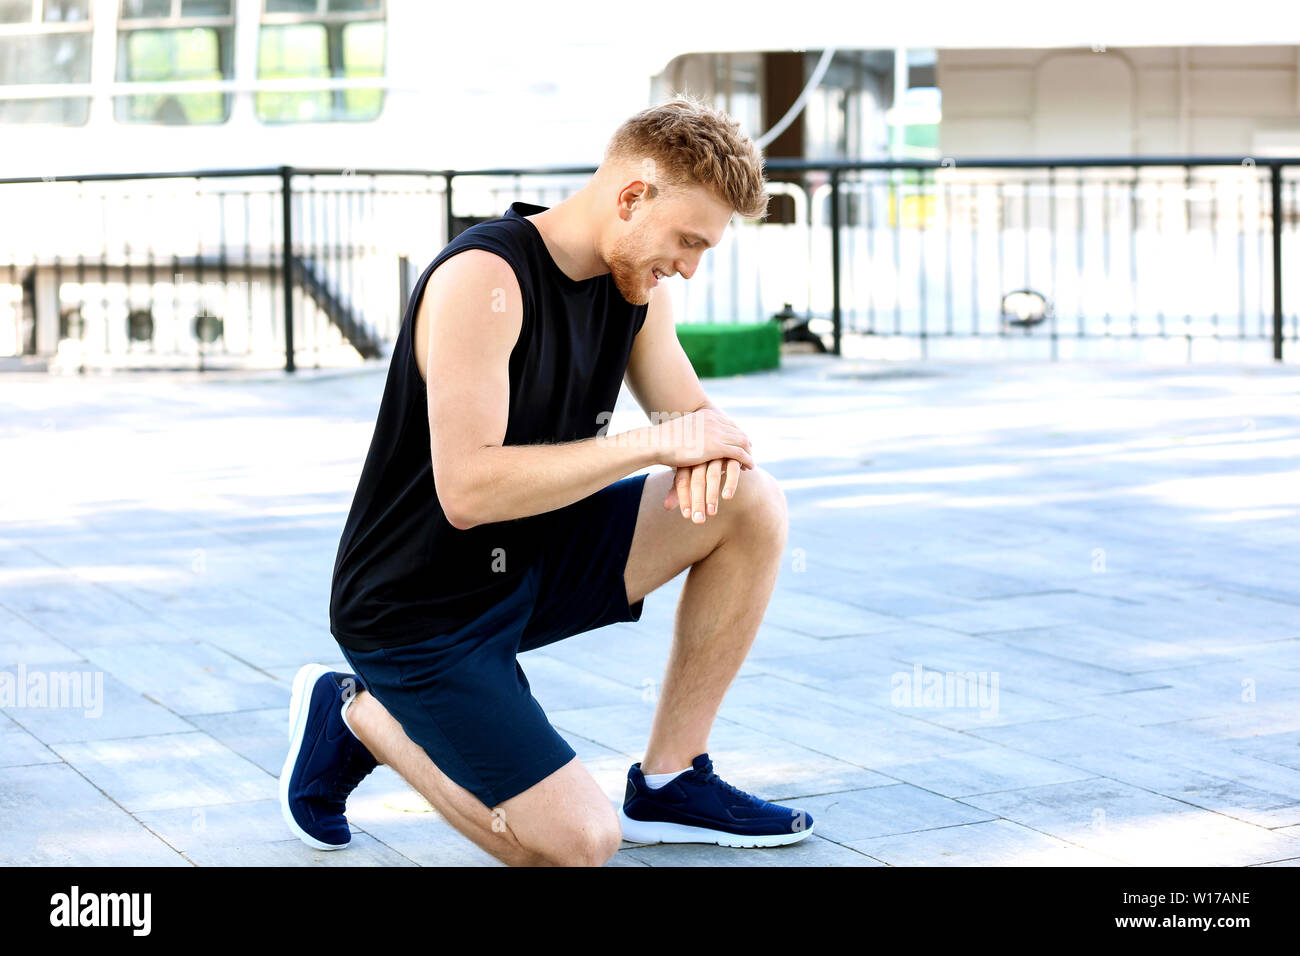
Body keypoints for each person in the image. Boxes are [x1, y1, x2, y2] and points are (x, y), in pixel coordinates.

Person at [279, 94, 814, 866]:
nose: (689, 269)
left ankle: (670, 781)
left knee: (749, 503)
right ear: (632, 197)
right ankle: (359, 712)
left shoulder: (638, 292)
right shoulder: (482, 277)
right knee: (577, 845)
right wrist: (656, 444)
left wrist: (706, 451)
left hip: (527, 563)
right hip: (415, 608)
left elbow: (703, 432)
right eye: (687, 241)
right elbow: (468, 493)